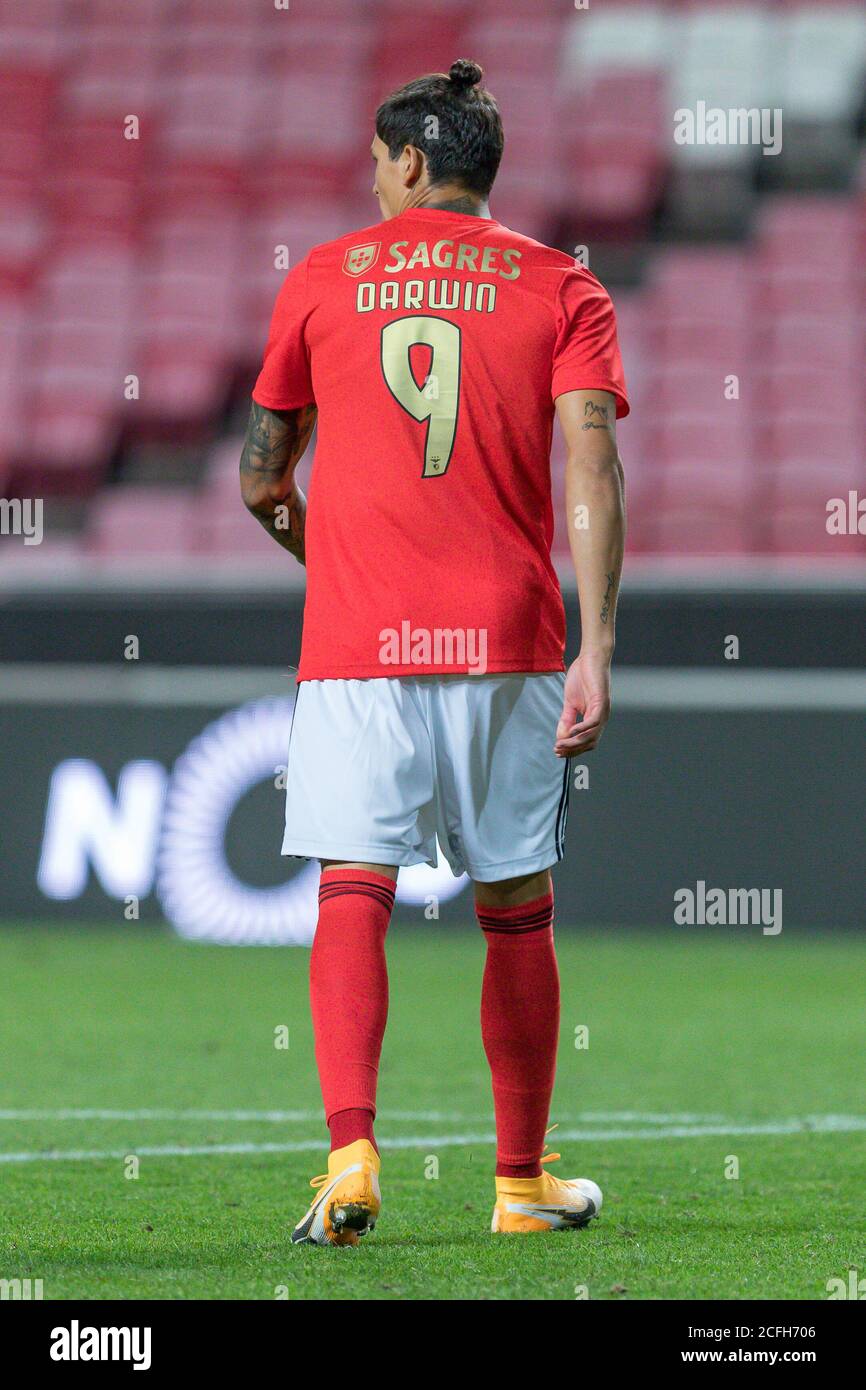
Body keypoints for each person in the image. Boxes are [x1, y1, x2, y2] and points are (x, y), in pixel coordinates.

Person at [240, 59, 628, 1245]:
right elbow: (592, 469)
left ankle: (350, 1156)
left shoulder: (318, 278)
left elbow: (263, 477)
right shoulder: (565, 285)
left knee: (352, 889)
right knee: (514, 903)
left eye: (375, 163)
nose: (370, 181)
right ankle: (519, 1185)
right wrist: (597, 643)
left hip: (358, 642)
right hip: (507, 638)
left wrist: (336, 562)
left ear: (411, 161)